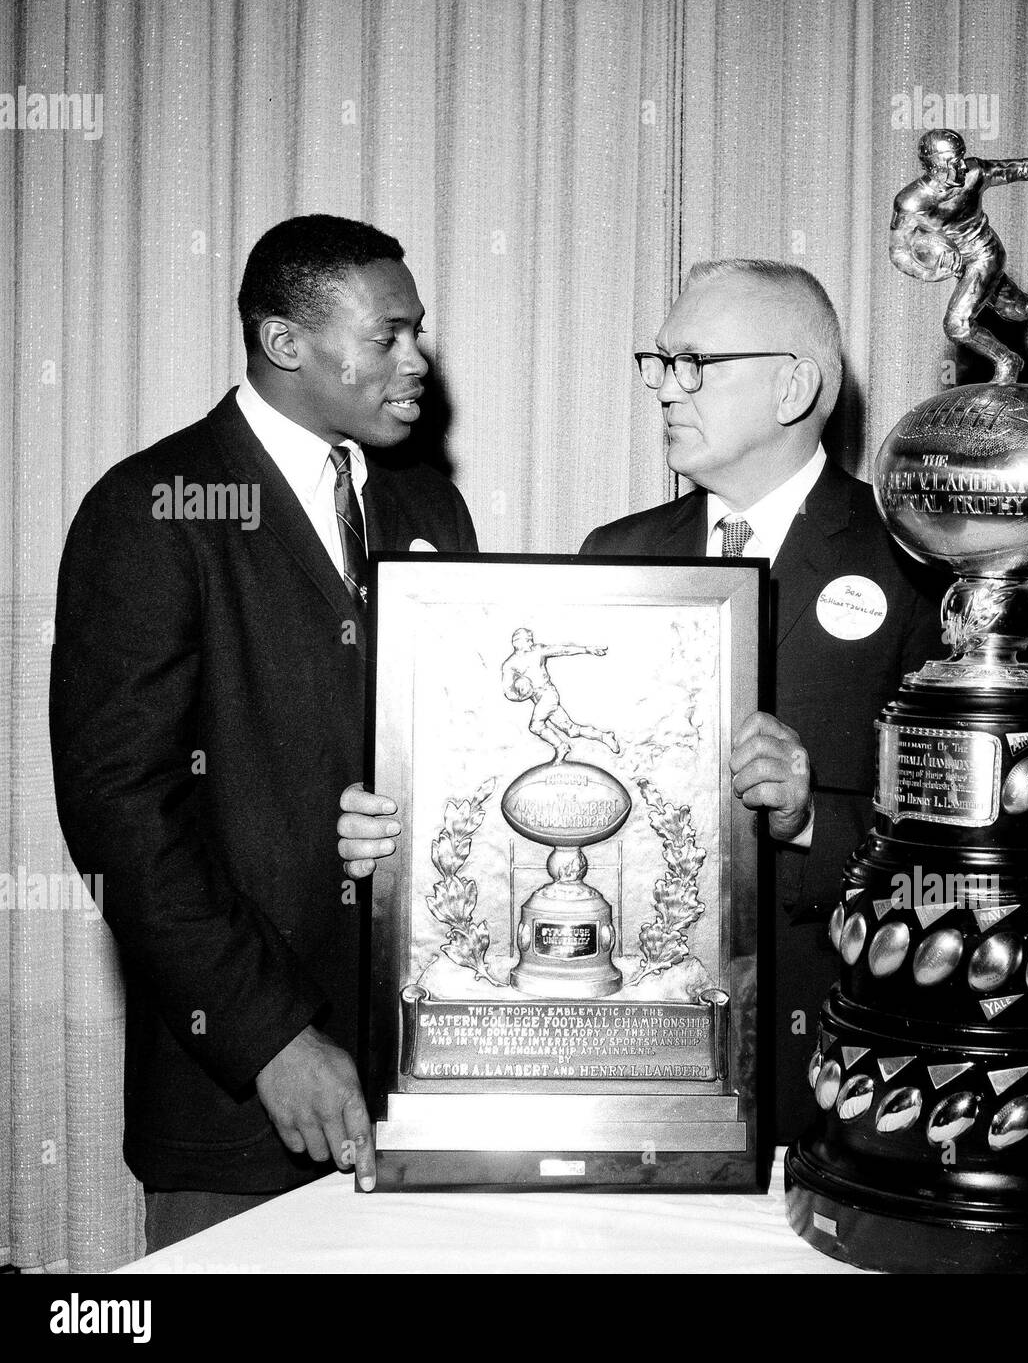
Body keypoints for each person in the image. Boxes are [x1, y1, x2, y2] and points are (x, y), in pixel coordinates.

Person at [339, 259, 941, 1142]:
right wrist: (404, 828)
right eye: (658, 362)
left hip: (839, 1062)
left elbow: (967, 848)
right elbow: (558, 780)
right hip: (637, 1057)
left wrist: (811, 819)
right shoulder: (617, 551)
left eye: (695, 362)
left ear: (794, 384)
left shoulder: (917, 561)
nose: (665, 388)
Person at [50, 214, 478, 1251]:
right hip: (240, 1100)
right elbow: (122, 813)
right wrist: (272, 1037)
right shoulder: (153, 506)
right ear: (285, 344)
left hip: (429, 1083)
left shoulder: (432, 506)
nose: (418, 361)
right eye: (389, 336)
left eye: (416, 331)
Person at [889, 129, 1028, 383]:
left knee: (957, 325)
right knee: (1019, 309)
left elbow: (1019, 169)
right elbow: (899, 252)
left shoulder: (974, 174)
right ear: (935, 165)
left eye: (962, 157)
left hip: (986, 253)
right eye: (953, 161)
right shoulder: (910, 203)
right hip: (964, 267)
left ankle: (1008, 360)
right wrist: (930, 272)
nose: (962, 165)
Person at [501, 628, 620, 759]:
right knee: (571, 730)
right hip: (537, 699)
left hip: (548, 694)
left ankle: (561, 746)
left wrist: (586, 649)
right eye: (528, 640)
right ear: (517, 642)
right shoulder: (509, 665)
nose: (531, 642)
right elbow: (508, 691)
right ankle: (604, 736)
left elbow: (563, 650)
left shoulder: (538, 651)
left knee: (535, 726)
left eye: (531, 640)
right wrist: (521, 693)